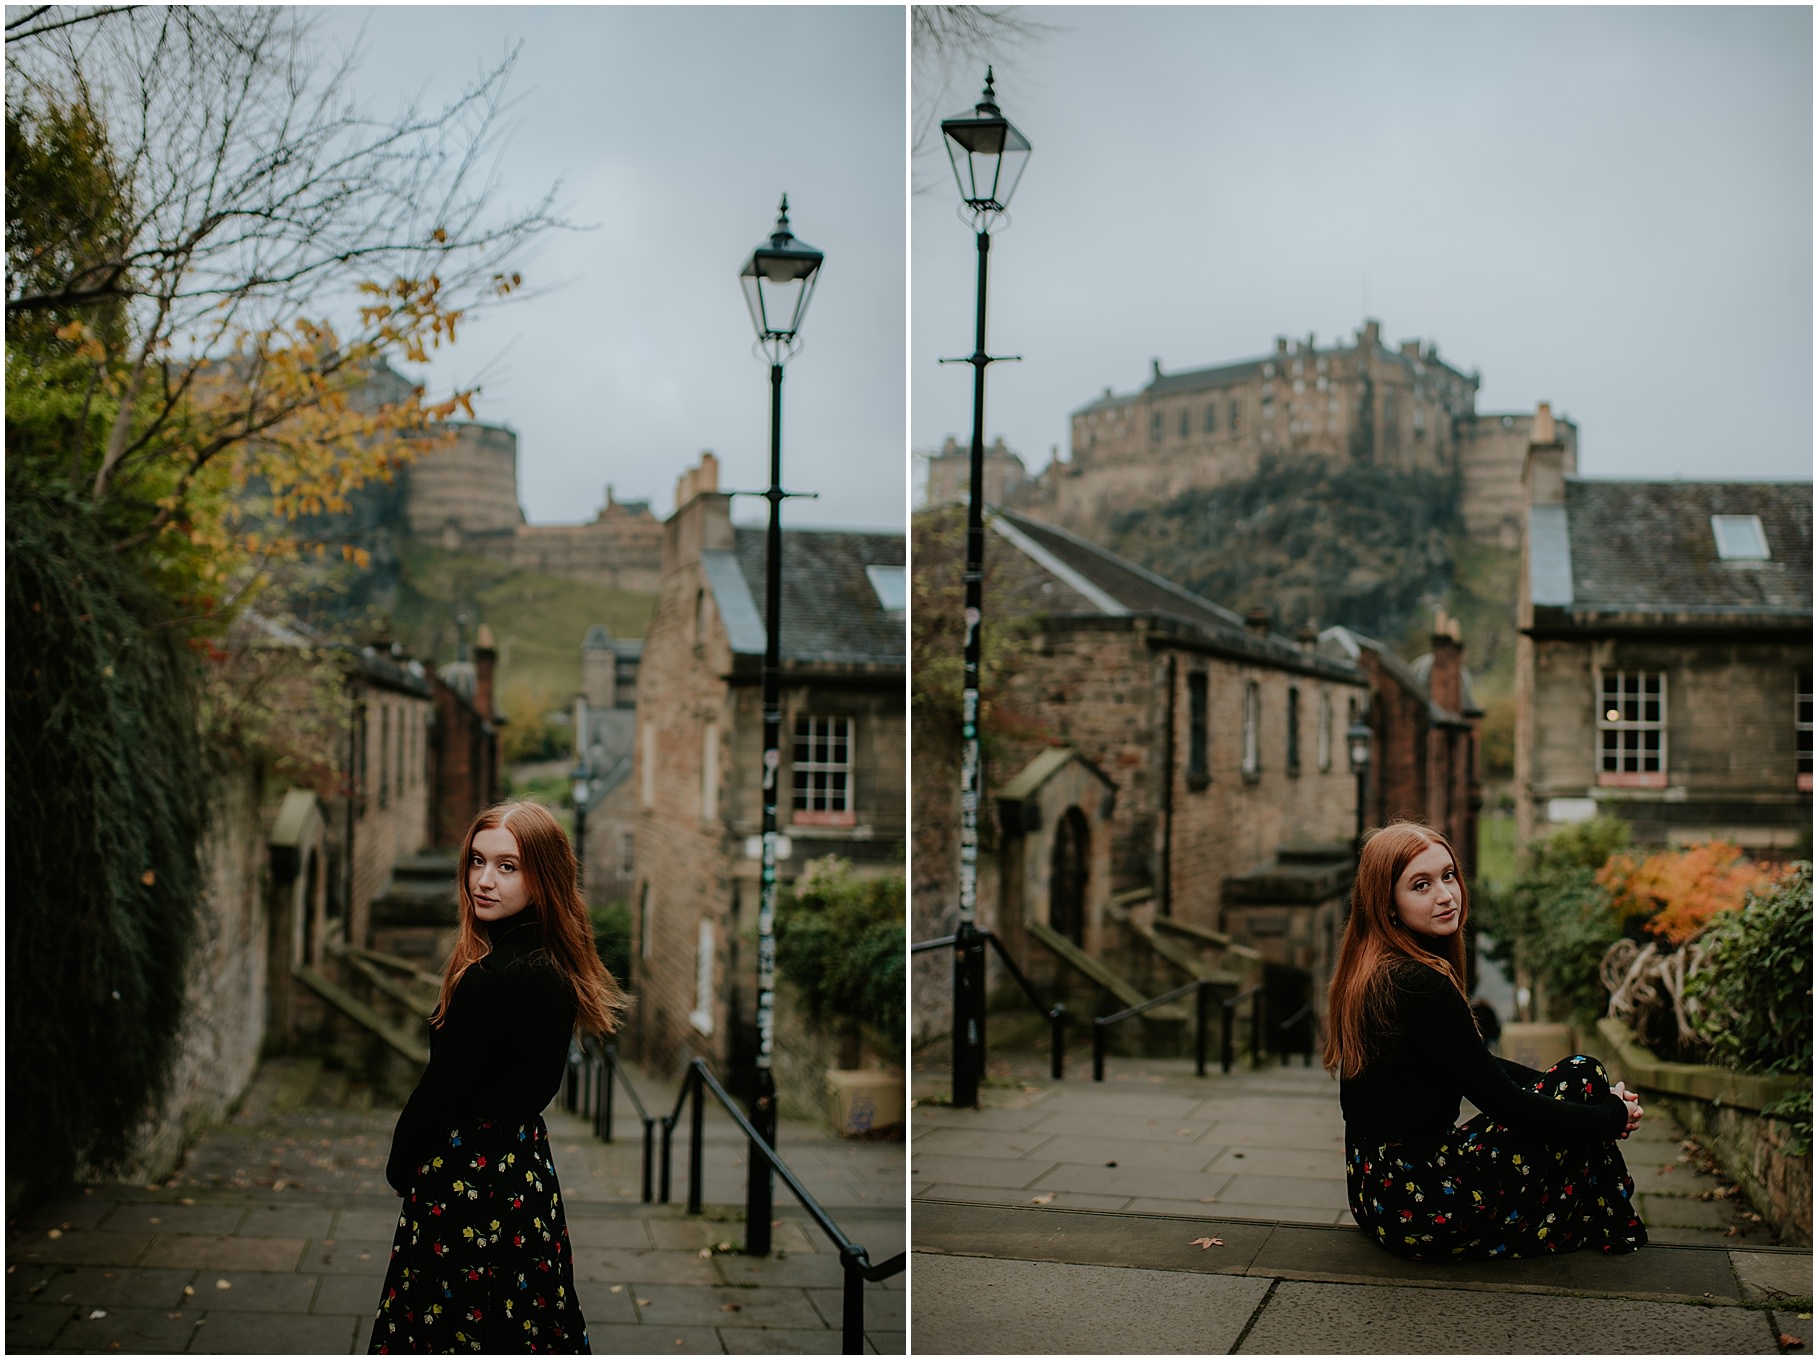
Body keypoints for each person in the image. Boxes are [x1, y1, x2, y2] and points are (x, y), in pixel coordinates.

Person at [1324, 821, 1646, 1261]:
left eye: (1448, 876)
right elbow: (1507, 1104)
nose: (1446, 895)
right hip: (1426, 1206)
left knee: (1581, 1082)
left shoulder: (1373, 969)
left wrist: (1590, 1100)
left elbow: (1473, 1065)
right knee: (1583, 1071)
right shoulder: (1419, 983)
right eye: (1421, 885)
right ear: (1388, 904)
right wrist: (1610, 1116)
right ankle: (1614, 1222)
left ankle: (1607, 1217)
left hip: (1376, 1196)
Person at [370, 801, 626, 1353]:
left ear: (544, 876)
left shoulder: (490, 978)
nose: (484, 881)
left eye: (507, 866)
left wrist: (401, 1165)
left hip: (467, 1181)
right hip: (525, 1176)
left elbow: (440, 1092)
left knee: (451, 1328)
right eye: (477, 861)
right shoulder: (553, 962)